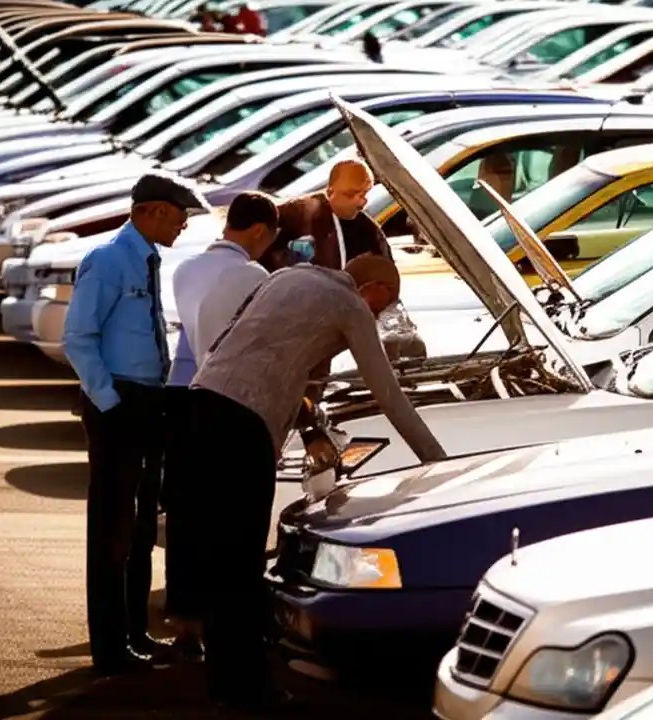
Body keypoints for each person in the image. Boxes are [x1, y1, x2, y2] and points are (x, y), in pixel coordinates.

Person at [188, 255, 447, 709]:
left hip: (202, 402)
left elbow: (257, 349)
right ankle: (249, 686)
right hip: (245, 421)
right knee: (244, 556)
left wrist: (310, 430)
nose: (382, 316)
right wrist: (439, 464)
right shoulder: (348, 304)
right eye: (386, 305)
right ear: (375, 289)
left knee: (218, 553)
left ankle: (222, 679)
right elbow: (387, 392)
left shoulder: (287, 277)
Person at [62, 172, 211, 676]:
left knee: (143, 523)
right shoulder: (107, 261)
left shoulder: (147, 259)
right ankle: (109, 647)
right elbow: (79, 338)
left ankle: (132, 631)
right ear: (150, 211)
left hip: (147, 400)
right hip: (118, 403)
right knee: (112, 531)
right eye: (178, 215)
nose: (184, 225)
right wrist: (109, 401)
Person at [161, 191, 280, 659]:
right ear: (258, 232)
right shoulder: (254, 275)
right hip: (228, 399)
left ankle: (185, 623)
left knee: (187, 515)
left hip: (180, 391)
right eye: (269, 239)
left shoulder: (187, 268)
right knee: (230, 517)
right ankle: (225, 625)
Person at [276, 158, 390, 271]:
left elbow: (384, 274)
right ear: (330, 192)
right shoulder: (296, 212)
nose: (361, 202)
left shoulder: (368, 232)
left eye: (364, 194)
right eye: (350, 194)